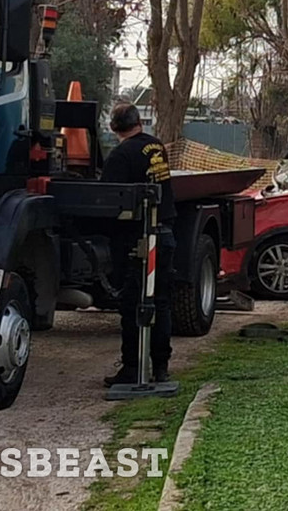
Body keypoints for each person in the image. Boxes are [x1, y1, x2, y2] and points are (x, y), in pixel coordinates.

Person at [100, 103, 178, 386]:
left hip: (137, 240)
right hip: (164, 233)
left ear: (113, 128)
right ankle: (160, 367)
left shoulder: (121, 154)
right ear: (139, 123)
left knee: (133, 304)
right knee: (161, 302)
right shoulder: (156, 146)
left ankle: (132, 368)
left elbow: (109, 200)